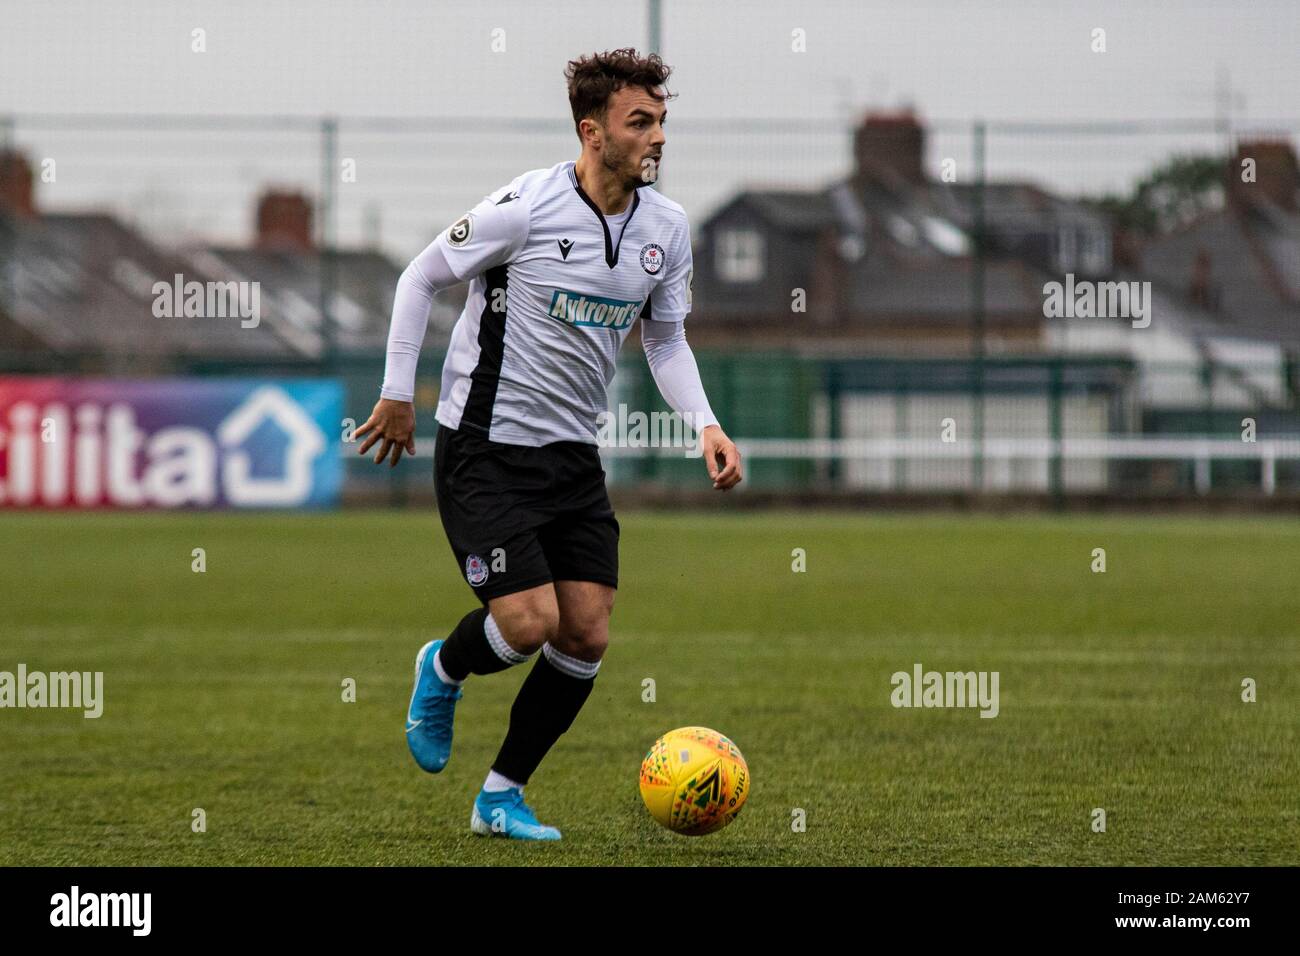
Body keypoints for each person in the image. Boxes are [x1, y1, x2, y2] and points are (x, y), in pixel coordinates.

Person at [356, 48, 742, 841]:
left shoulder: (665, 229)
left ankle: (500, 796)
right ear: (592, 132)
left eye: (663, 121)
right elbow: (419, 278)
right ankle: (443, 668)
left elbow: (665, 342)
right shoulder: (525, 208)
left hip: (572, 458)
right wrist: (398, 393)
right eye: (641, 122)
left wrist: (704, 422)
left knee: (587, 632)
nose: (658, 137)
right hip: (484, 449)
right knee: (527, 624)